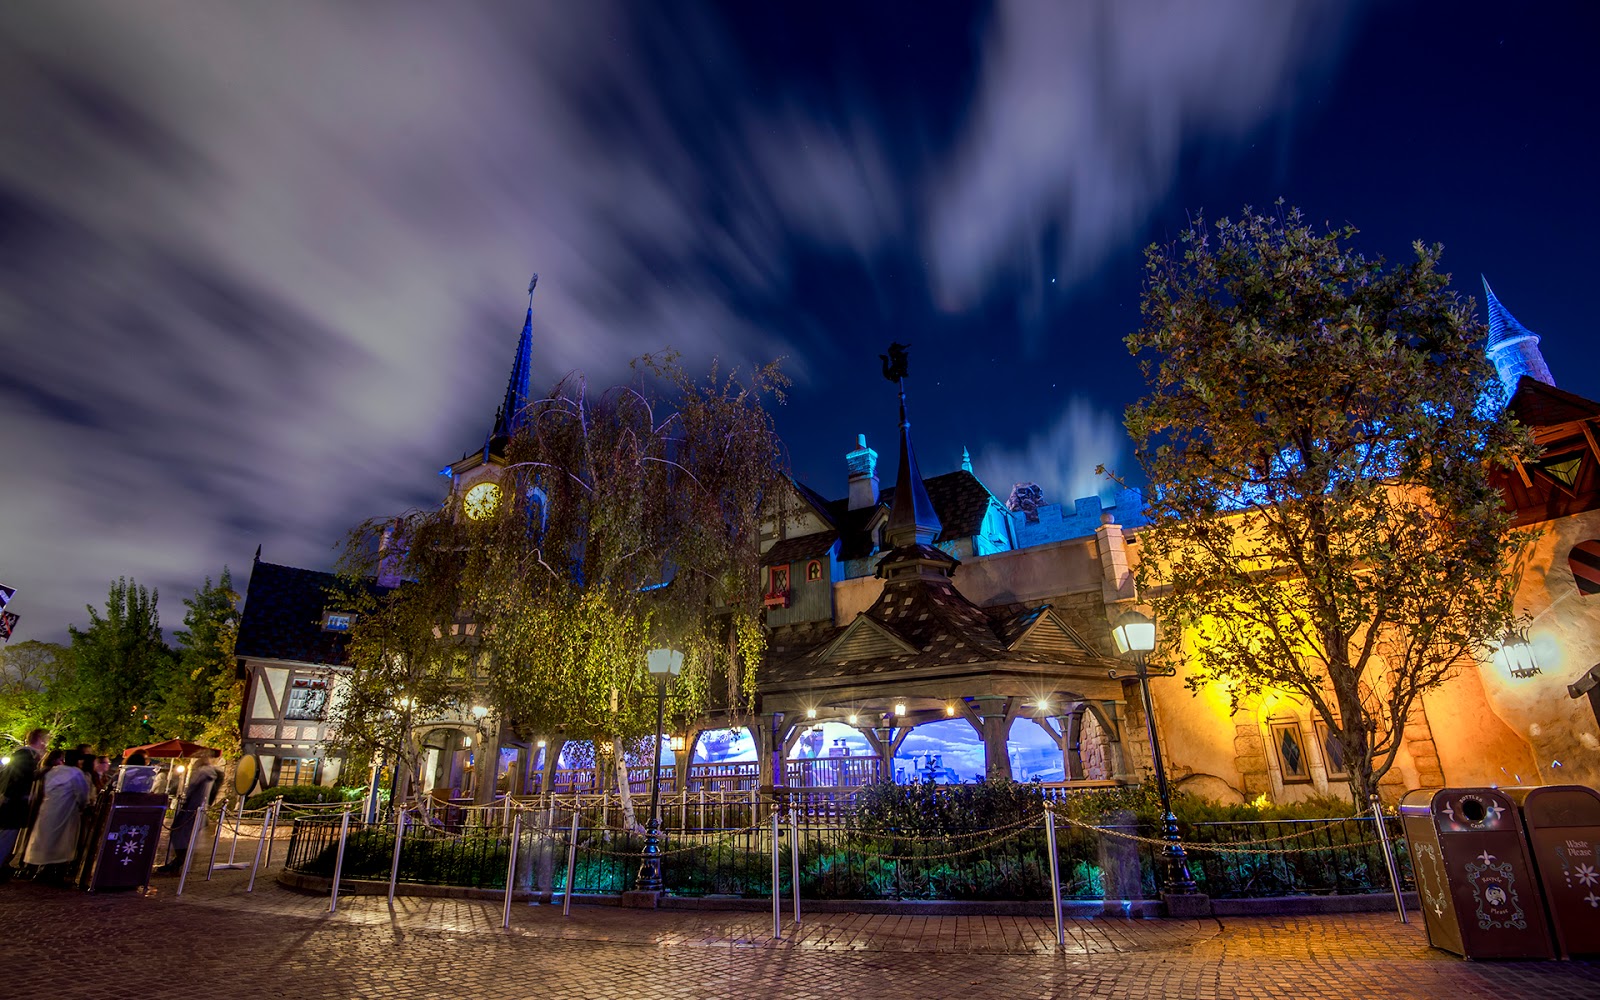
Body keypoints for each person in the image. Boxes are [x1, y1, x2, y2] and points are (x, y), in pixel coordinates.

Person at [22, 744, 93, 885]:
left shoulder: (52, 772)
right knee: (63, 841)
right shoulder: (75, 773)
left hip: (48, 808)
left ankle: (41, 869)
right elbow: (81, 794)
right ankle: (55, 873)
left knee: (47, 839)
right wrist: (85, 806)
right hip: (65, 810)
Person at [155, 751, 224, 874]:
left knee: (180, 834)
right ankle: (179, 863)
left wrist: (187, 801)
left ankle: (179, 863)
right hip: (197, 808)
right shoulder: (211, 774)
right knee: (184, 836)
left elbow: (192, 790)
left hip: (192, 809)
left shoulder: (204, 773)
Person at [0, 728, 50, 882]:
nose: (48, 742)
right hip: (14, 802)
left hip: (12, 800)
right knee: (7, 835)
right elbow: (25, 776)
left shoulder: (23, 755)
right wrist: (45, 770)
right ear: (41, 739)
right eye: (47, 738)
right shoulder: (26, 755)